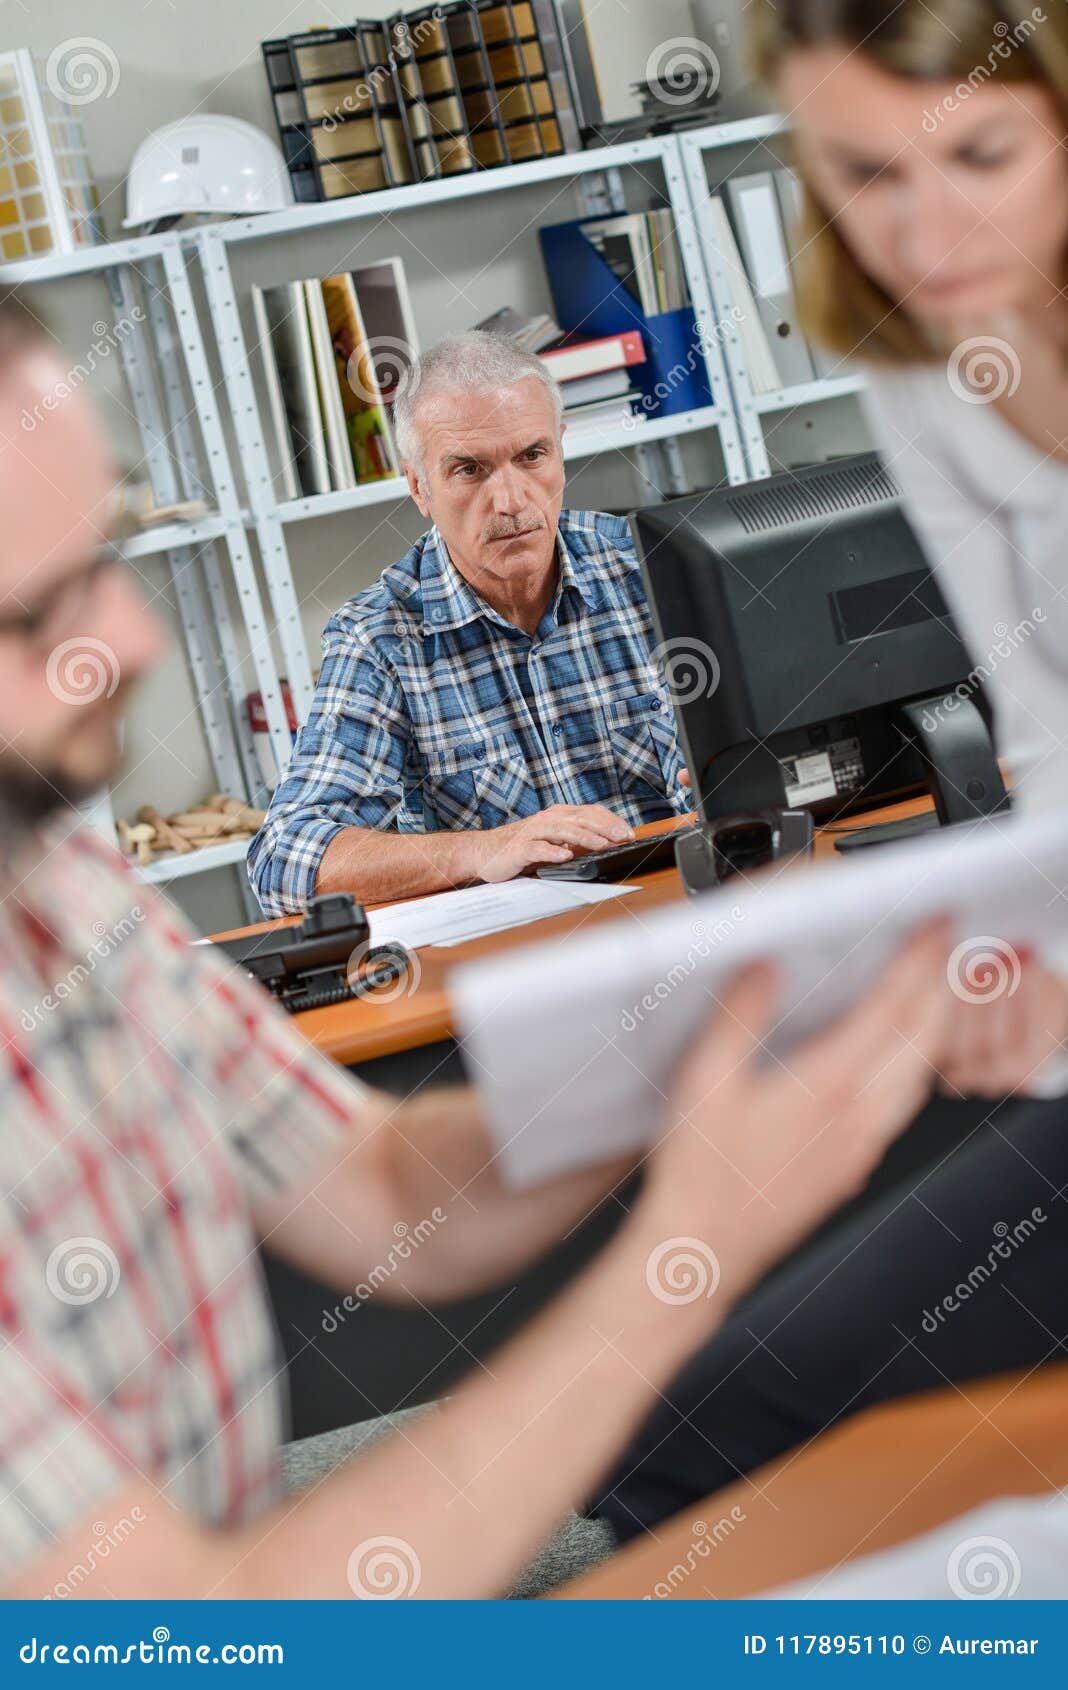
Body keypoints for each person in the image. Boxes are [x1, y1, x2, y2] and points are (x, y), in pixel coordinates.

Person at [0, 292, 952, 1598]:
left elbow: (383, 1183)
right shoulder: (380, 638)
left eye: (106, 563)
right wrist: (695, 1239)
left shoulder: (67, 895)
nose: (137, 641)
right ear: (415, 484)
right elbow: (193, 1624)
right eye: (43, 610)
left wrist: (686, 1043)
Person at [589, 0, 1068, 1547]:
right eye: (861, 175)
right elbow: (1046, 724)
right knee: (684, 1440)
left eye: (978, 155)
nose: (920, 230)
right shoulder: (928, 363)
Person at [246, 330, 693, 919]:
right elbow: (285, 860)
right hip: (523, 967)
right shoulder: (379, 638)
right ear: (418, 487)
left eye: (532, 456)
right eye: (469, 470)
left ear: (560, 449)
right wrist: (485, 849)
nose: (510, 499)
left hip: (688, 922)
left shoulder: (655, 567)